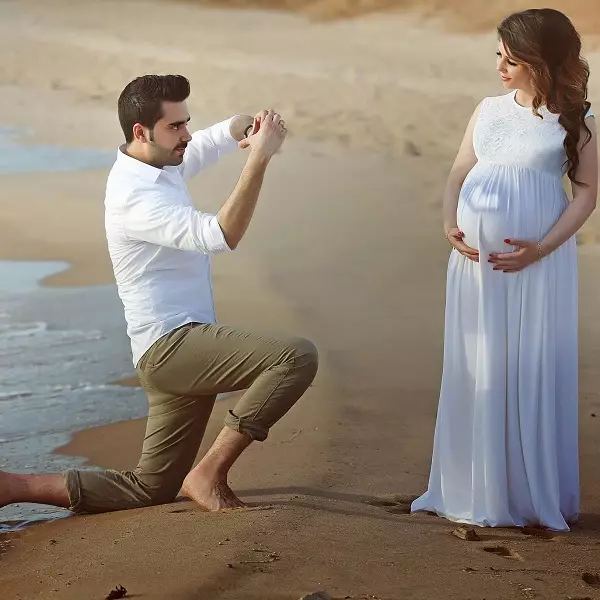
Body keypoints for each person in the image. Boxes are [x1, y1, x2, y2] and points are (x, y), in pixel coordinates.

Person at [0, 74, 318, 514]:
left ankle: (13, 486)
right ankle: (210, 473)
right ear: (140, 131)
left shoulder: (155, 162)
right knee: (295, 357)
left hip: (166, 350)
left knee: (150, 489)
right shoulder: (136, 198)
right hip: (173, 347)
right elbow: (221, 234)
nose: (185, 134)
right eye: (176, 126)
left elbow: (203, 144)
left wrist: (243, 126)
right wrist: (259, 158)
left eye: (186, 122)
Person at [411, 9, 597, 531]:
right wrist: (450, 220)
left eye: (511, 60)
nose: (500, 67)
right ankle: (470, 485)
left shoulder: (576, 121)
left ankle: (522, 490)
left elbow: (586, 196)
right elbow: (459, 169)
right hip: (473, 267)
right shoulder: (489, 109)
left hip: (535, 267)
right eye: (499, 56)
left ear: (540, 63)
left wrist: (542, 248)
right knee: (480, 361)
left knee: (525, 364)